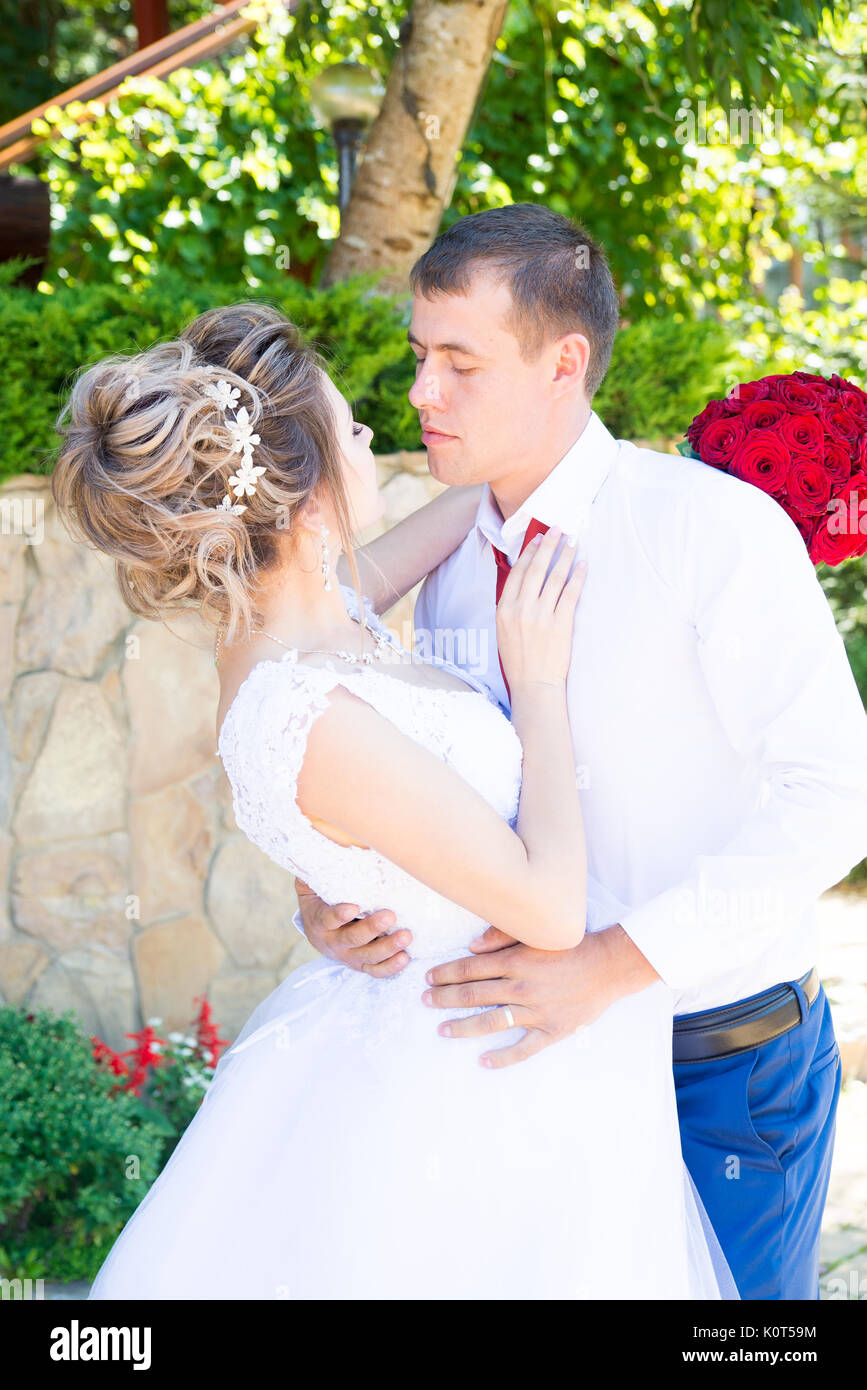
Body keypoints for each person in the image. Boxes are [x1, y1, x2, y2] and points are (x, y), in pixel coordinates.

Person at [52, 300, 734, 1300]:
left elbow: (474, 503)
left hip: (473, 1047)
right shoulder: (310, 703)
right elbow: (545, 909)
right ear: (310, 495)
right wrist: (535, 682)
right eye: (353, 428)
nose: (377, 434)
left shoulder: (302, 613)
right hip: (473, 1087)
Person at [294, 204, 867, 1301]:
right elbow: (461, 801)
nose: (421, 393)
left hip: (718, 1069)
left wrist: (609, 968)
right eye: (421, 357)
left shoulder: (713, 530)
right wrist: (339, 896)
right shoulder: (456, 562)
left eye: (460, 362)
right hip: (531, 1071)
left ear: (565, 362)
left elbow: (837, 797)